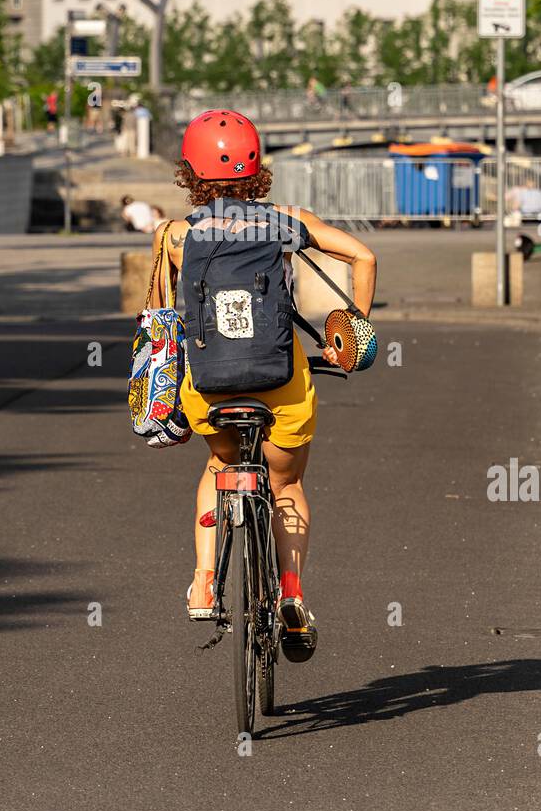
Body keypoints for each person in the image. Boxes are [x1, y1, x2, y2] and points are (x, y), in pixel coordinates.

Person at [149, 110, 377, 661]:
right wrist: (351, 334)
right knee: (286, 485)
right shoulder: (285, 222)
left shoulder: (174, 235)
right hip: (281, 382)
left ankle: (204, 581)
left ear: (190, 172)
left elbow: (160, 318)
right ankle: (292, 594)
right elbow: (362, 256)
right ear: (256, 166)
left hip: (208, 385)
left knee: (219, 468)